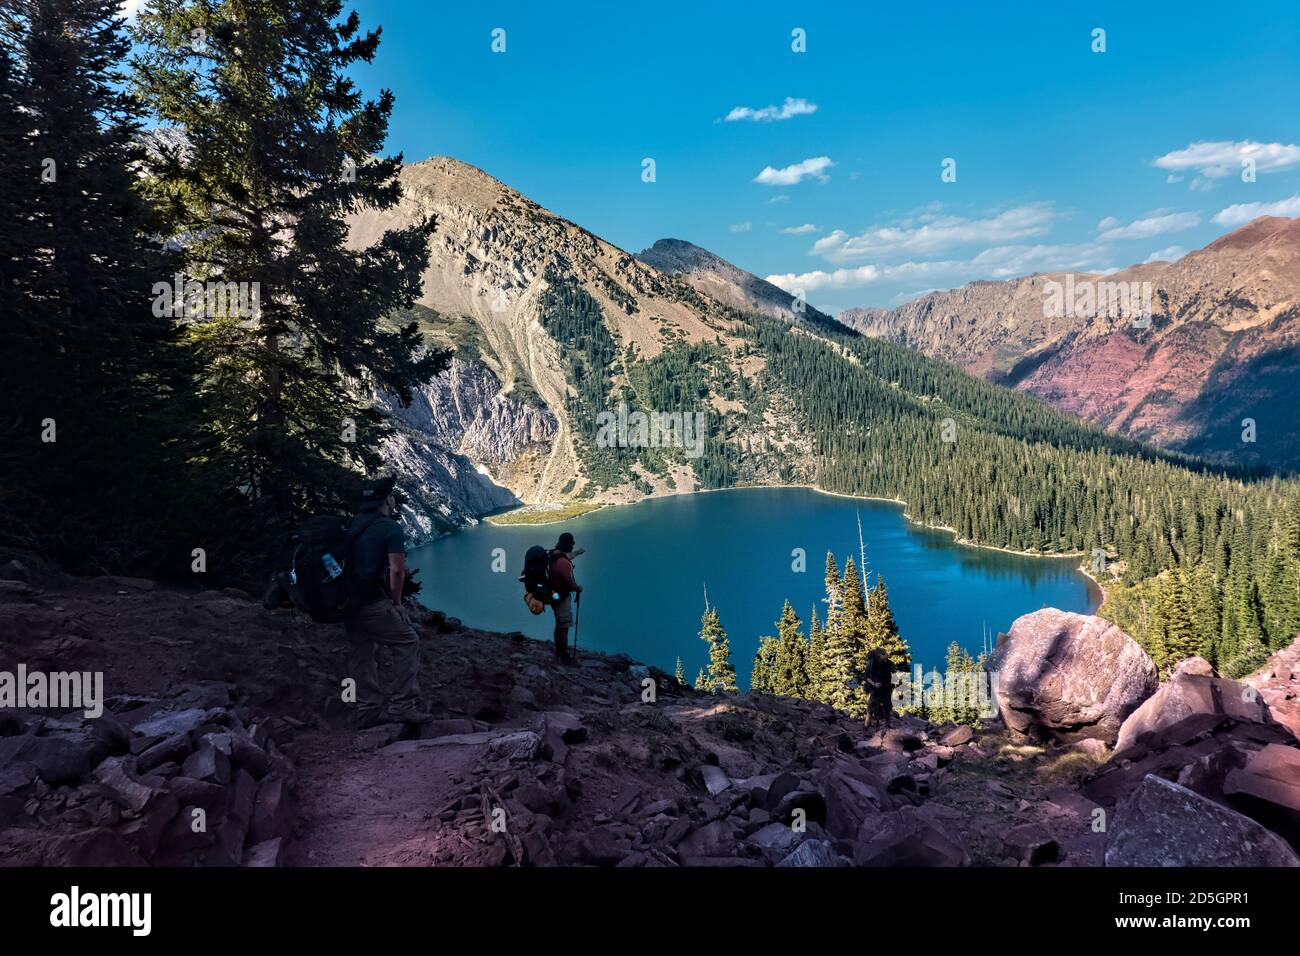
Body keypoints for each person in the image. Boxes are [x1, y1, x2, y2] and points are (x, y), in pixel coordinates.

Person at [344, 477, 429, 727]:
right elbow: (396, 569)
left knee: (363, 652)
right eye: (391, 497)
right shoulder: (390, 527)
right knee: (407, 641)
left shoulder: (354, 524)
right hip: (373, 603)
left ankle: (367, 709)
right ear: (387, 500)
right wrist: (397, 602)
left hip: (348, 605)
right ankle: (402, 705)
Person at [548, 532, 584, 662]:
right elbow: (568, 582)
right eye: (572, 544)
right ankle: (563, 655)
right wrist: (578, 588)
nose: (572, 546)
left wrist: (578, 552)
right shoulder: (563, 563)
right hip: (561, 598)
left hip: (554, 595)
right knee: (564, 626)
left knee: (560, 625)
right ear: (568, 544)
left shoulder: (554, 553)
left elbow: (568, 556)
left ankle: (559, 651)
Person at [864, 648, 895, 729]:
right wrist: (874, 684)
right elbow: (866, 677)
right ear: (879, 655)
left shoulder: (888, 663)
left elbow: (893, 673)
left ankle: (888, 724)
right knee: (872, 706)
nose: (885, 656)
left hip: (886, 688)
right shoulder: (872, 663)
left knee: (887, 706)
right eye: (883, 654)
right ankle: (866, 724)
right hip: (876, 688)